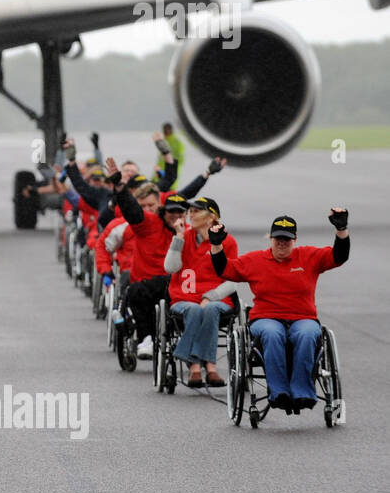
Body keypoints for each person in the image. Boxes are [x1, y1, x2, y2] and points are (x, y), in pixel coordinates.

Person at [211, 210, 350, 413]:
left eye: (287, 239)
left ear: (294, 240)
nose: (282, 243)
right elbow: (224, 269)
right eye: (278, 238)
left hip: (302, 318)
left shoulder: (309, 256)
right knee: (272, 333)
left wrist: (341, 230)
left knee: (308, 333)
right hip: (266, 318)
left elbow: (339, 256)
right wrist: (216, 245)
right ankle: (279, 393)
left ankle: (302, 392)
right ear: (271, 238)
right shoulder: (255, 260)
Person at [110, 156, 186, 360]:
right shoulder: (149, 223)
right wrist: (119, 188)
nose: (175, 216)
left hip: (177, 286)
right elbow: (133, 211)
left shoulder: (190, 232)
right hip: (144, 284)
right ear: (163, 211)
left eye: (180, 212)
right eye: (171, 212)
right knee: (135, 291)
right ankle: (146, 338)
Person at [163, 197, 238, 387]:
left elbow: (233, 280)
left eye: (196, 211)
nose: (190, 215)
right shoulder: (184, 237)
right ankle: (196, 366)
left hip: (215, 298)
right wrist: (178, 237)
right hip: (184, 298)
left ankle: (210, 367)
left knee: (210, 309)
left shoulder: (227, 242)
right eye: (191, 211)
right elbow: (171, 268)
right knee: (195, 310)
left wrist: (209, 296)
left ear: (211, 217)